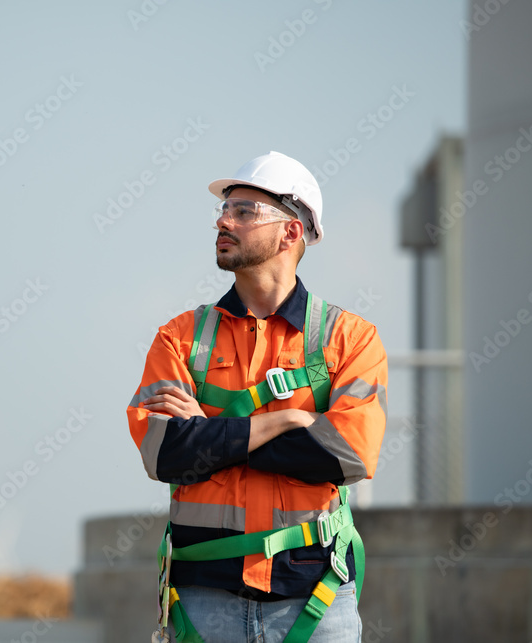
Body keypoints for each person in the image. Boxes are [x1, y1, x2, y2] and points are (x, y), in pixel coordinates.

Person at [127, 151, 388, 643]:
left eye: (244, 211)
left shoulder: (351, 339)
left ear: (291, 232)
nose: (224, 221)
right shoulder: (178, 338)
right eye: (224, 211)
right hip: (202, 602)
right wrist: (284, 419)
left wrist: (208, 428)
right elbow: (163, 453)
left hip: (318, 600)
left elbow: (348, 453)